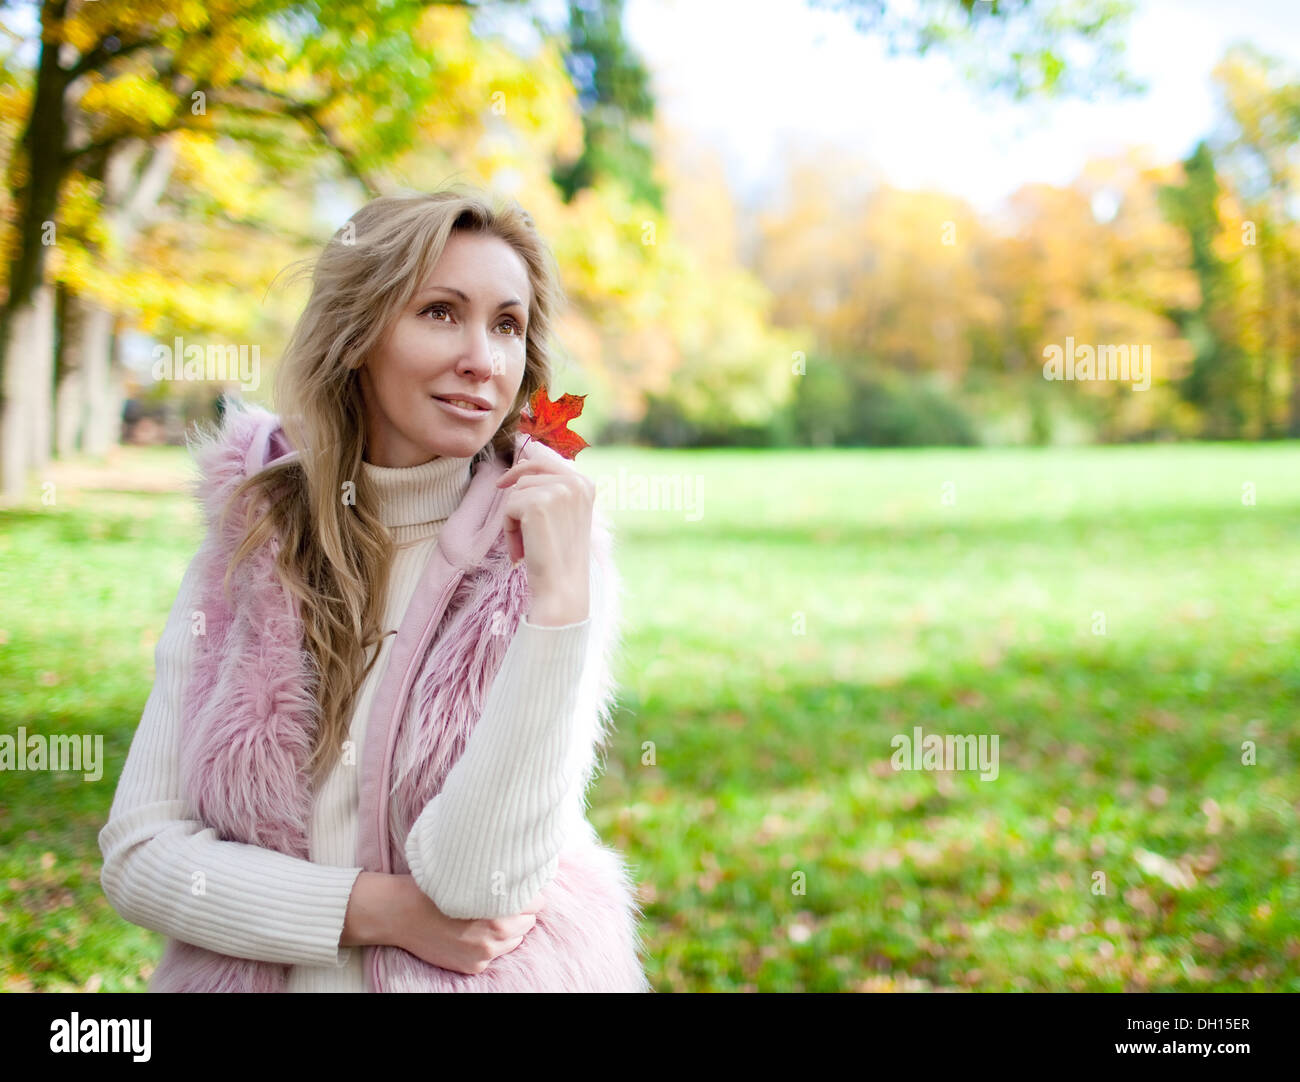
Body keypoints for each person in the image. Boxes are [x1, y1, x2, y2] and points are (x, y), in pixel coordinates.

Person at [98, 186, 650, 992]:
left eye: (506, 324)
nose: (482, 358)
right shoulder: (252, 539)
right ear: (359, 334)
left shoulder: (542, 551)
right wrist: (380, 911)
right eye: (439, 312)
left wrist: (560, 606)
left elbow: (481, 889)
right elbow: (142, 853)